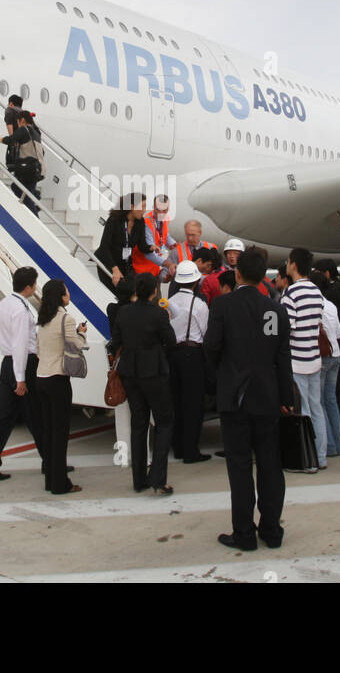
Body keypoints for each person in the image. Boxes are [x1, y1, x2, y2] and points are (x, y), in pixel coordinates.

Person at [204, 247, 294, 551]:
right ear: (263, 276)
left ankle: (243, 533)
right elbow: (283, 358)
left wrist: (222, 380)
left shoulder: (222, 306)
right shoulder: (276, 309)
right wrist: (287, 396)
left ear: (237, 273)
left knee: (240, 468)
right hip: (268, 396)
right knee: (271, 465)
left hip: (235, 397)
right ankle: (272, 530)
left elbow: (211, 348)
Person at [0, 267, 47, 481]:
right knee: (36, 417)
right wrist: (21, 378)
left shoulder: (6, 304)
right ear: (28, 287)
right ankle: (51, 462)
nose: (36, 287)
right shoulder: (20, 310)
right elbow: (19, 345)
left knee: (3, 419)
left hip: (7, 364)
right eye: (35, 284)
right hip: (22, 365)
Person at [114, 273, 178, 494]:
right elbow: (171, 341)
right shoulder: (159, 314)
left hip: (130, 373)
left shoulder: (123, 312)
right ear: (154, 292)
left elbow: (116, 341)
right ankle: (158, 478)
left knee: (138, 424)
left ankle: (139, 479)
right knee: (164, 421)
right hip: (154, 372)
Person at [35, 279, 86, 495]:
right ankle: (60, 483)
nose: (69, 294)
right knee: (60, 432)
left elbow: (38, 349)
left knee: (48, 430)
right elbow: (77, 344)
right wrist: (81, 332)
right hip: (57, 378)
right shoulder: (66, 318)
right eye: (66, 291)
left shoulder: (43, 318)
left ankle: (50, 479)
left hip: (41, 376)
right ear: (61, 296)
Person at [282, 248, 327, 469]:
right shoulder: (317, 292)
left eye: (289, 261)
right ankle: (321, 456)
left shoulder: (291, 294)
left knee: (303, 410)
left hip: (297, 360)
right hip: (314, 357)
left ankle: (307, 459)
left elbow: (286, 328)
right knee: (316, 408)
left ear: (294, 265)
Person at [167, 260, 211, 463]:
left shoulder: (169, 302)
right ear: (195, 282)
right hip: (192, 355)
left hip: (172, 354)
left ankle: (177, 447)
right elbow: (205, 333)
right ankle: (190, 450)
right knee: (193, 404)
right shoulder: (200, 305)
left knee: (175, 401)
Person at [315, 259, 340, 438]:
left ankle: (332, 438)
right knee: (335, 394)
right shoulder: (338, 291)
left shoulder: (327, 297)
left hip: (328, 350)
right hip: (338, 347)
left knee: (325, 398)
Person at [312, 269, 340, 458]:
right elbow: (339, 333)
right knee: (331, 400)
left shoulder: (314, 305)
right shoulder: (331, 305)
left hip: (321, 357)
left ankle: (329, 445)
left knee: (320, 401)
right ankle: (337, 444)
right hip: (336, 354)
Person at [0, 111, 43, 213]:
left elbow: (11, 139)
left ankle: (35, 215)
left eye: (18, 122)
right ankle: (36, 200)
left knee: (22, 192)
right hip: (37, 169)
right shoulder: (36, 132)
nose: (17, 124)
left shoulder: (24, 130)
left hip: (28, 169)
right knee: (23, 191)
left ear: (22, 120)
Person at [95, 193, 147, 289]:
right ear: (132, 207)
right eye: (142, 206)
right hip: (109, 264)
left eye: (145, 206)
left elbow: (142, 246)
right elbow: (104, 247)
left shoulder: (140, 222)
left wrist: (152, 248)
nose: (144, 210)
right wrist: (114, 269)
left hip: (125, 265)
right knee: (120, 294)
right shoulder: (114, 220)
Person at [135, 195, 177, 282]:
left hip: (154, 269)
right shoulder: (146, 222)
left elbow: (165, 234)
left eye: (165, 210)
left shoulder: (164, 218)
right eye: (158, 209)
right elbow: (149, 253)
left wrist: (172, 243)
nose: (161, 213)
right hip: (140, 270)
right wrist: (168, 264)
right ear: (153, 207)